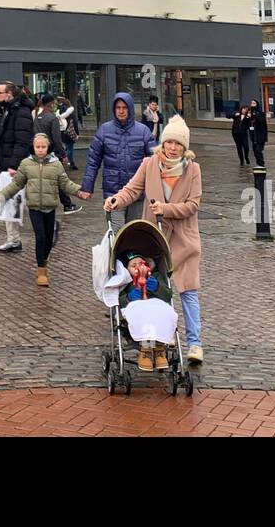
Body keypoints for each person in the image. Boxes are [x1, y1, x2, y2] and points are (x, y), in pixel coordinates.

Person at [105, 115, 204, 365]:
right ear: (163, 142)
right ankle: (163, 335)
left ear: (184, 147)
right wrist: (116, 200)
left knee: (188, 290)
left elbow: (193, 205)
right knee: (159, 289)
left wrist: (165, 209)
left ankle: (195, 343)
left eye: (178, 144)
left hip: (183, 239)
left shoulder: (193, 170)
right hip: (155, 238)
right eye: (169, 142)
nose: (172, 148)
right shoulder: (149, 164)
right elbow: (132, 189)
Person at [0, 133, 83, 286]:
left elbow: (66, 184)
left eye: (43, 147)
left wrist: (80, 192)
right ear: (33, 147)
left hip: (50, 207)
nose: (40, 150)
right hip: (34, 207)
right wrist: (1, 195)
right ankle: (41, 271)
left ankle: (45, 259)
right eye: (37, 147)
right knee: (40, 237)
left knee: (48, 239)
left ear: (48, 147)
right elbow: (16, 184)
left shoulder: (56, 164)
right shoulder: (26, 164)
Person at [80, 92, 157, 230]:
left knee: (134, 232)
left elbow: (155, 162)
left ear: (130, 109)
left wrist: (157, 190)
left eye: (124, 108)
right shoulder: (104, 130)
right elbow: (93, 160)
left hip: (137, 194)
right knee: (117, 233)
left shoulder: (143, 131)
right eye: (118, 108)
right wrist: (87, 187)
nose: (121, 111)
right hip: (113, 192)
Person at [0, 81, 35, 253]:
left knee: (25, 200)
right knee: (11, 201)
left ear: (9, 94)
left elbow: (22, 141)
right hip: (7, 162)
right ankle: (13, 240)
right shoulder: (8, 109)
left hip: (15, 166)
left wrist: (13, 164)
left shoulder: (21, 112)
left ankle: (49, 226)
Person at [34, 93, 78, 214]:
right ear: (52, 104)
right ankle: (67, 205)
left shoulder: (37, 118)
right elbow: (57, 139)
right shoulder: (52, 118)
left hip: (39, 154)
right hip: (51, 153)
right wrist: (63, 155)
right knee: (59, 179)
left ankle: (48, 205)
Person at [55, 95, 81, 170]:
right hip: (70, 130)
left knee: (67, 146)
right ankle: (65, 160)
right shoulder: (71, 111)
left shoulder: (58, 111)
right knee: (69, 148)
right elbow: (75, 122)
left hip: (62, 130)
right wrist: (77, 133)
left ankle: (70, 162)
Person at [247, 99, 269, 167]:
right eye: (251, 103)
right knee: (255, 151)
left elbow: (262, 121)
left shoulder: (261, 113)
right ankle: (258, 163)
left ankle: (261, 164)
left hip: (260, 136)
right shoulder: (250, 114)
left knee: (258, 151)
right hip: (254, 136)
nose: (252, 105)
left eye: (254, 103)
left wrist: (255, 115)